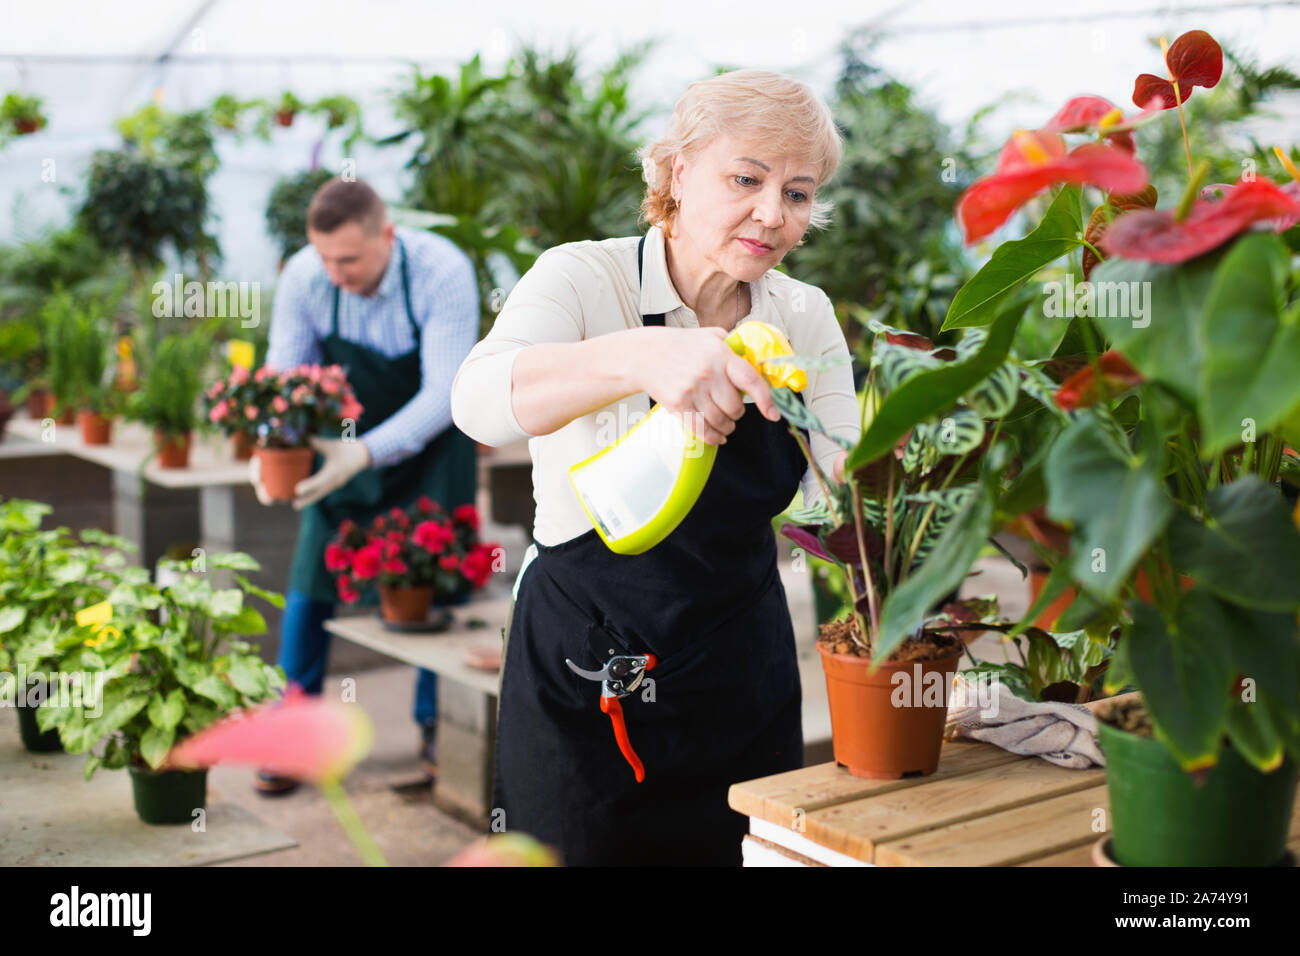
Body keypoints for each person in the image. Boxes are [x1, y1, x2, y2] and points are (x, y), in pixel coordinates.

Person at [450, 70, 860, 865]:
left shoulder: (802, 314)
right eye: (746, 179)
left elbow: (836, 486)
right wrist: (643, 356)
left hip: (741, 668)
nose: (773, 215)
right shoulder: (583, 278)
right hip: (586, 669)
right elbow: (477, 401)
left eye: (799, 193)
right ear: (678, 172)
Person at [251, 177, 479, 794]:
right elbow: (285, 374)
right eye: (325, 258)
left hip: (431, 448)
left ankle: (437, 729)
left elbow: (446, 392)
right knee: (312, 574)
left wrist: (367, 452)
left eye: (348, 259)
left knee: (433, 579)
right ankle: (293, 729)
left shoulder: (441, 270)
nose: (335, 272)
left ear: (387, 234)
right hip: (338, 441)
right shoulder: (306, 276)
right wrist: (270, 442)